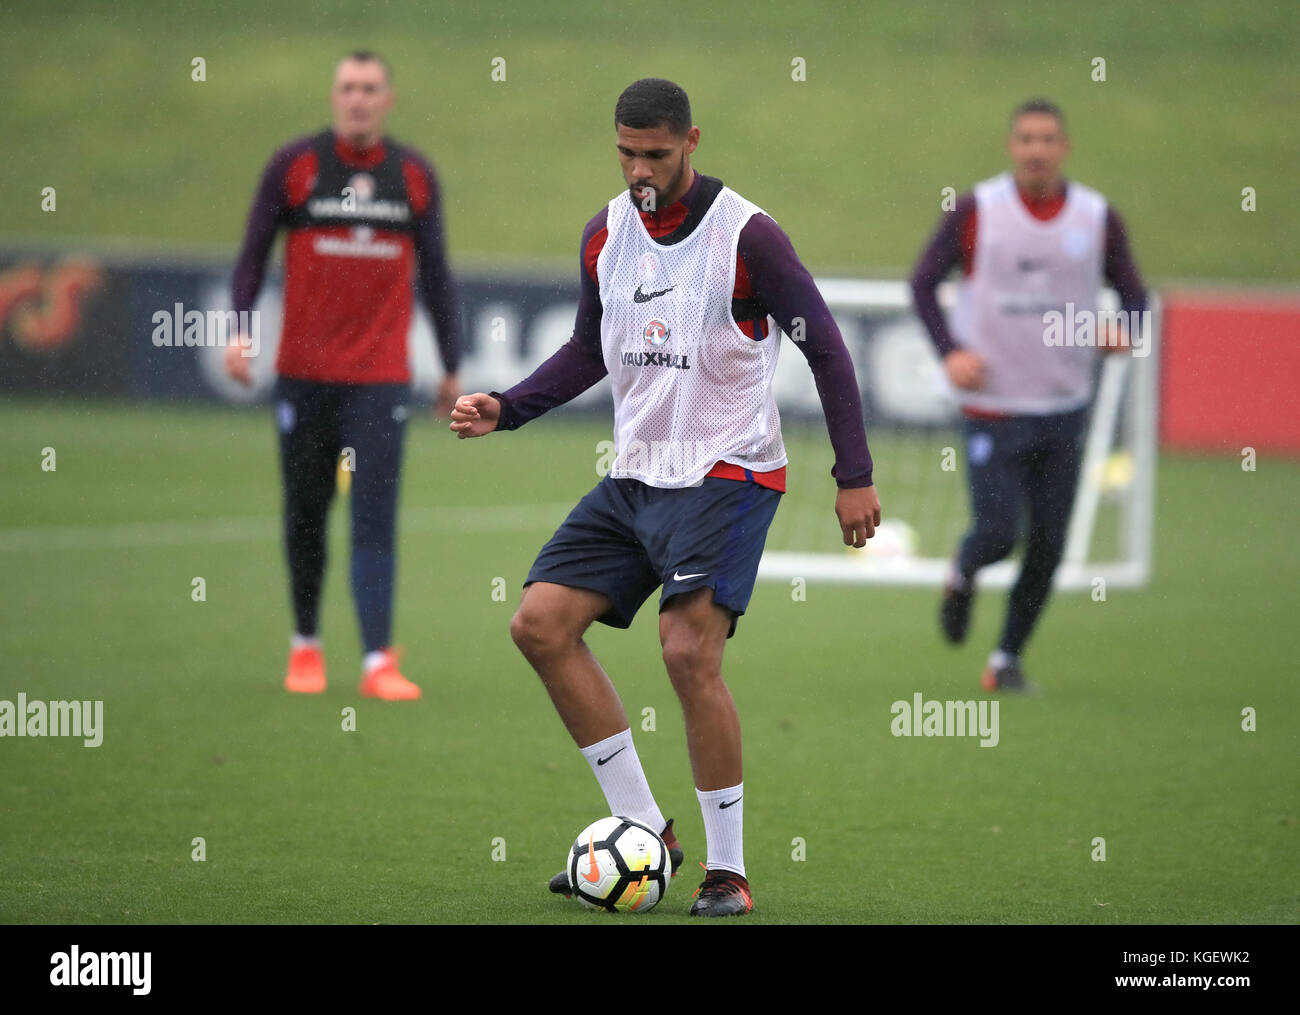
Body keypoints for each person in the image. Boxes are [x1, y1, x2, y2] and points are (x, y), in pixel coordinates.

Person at [450, 78, 881, 915]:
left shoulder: (748, 237)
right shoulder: (604, 234)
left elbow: (826, 348)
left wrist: (853, 475)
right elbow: (587, 347)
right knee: (539, 624)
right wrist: (509, 408)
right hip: (636, 474)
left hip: (729, 472)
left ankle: (728, 871)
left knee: (687, 653)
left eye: (655, 152)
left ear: (691, 142)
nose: (639, 169)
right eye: (626, 152)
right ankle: (645, 828)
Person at [226, 51, 463, 700]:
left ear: (388, 99)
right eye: (348, 88)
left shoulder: (413, 176)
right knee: (305, 513)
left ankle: (376, 662)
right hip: (302, 377)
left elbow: (439, 276)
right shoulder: (295, 167)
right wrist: (239, 328)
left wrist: (450, 365)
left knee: (375, 517)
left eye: (370, 88)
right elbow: (251, 255)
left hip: (381, 379)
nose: (358, 98)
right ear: (334, 96)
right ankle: (306, 645)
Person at [910, 99, 1147, 692]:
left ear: (1064, 147)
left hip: (1065, 408)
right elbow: (921, 282)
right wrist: (950, 352)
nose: (1037, 150)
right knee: (996, 533)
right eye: (1026, 139)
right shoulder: (978, 210)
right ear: (1011, 147)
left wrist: (1126, 333)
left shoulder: (1095, 217)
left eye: (1048, 139)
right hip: (993, 406)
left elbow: (1136, 295)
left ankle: (1006, 660)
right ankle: (963, 571)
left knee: (1048, 546)